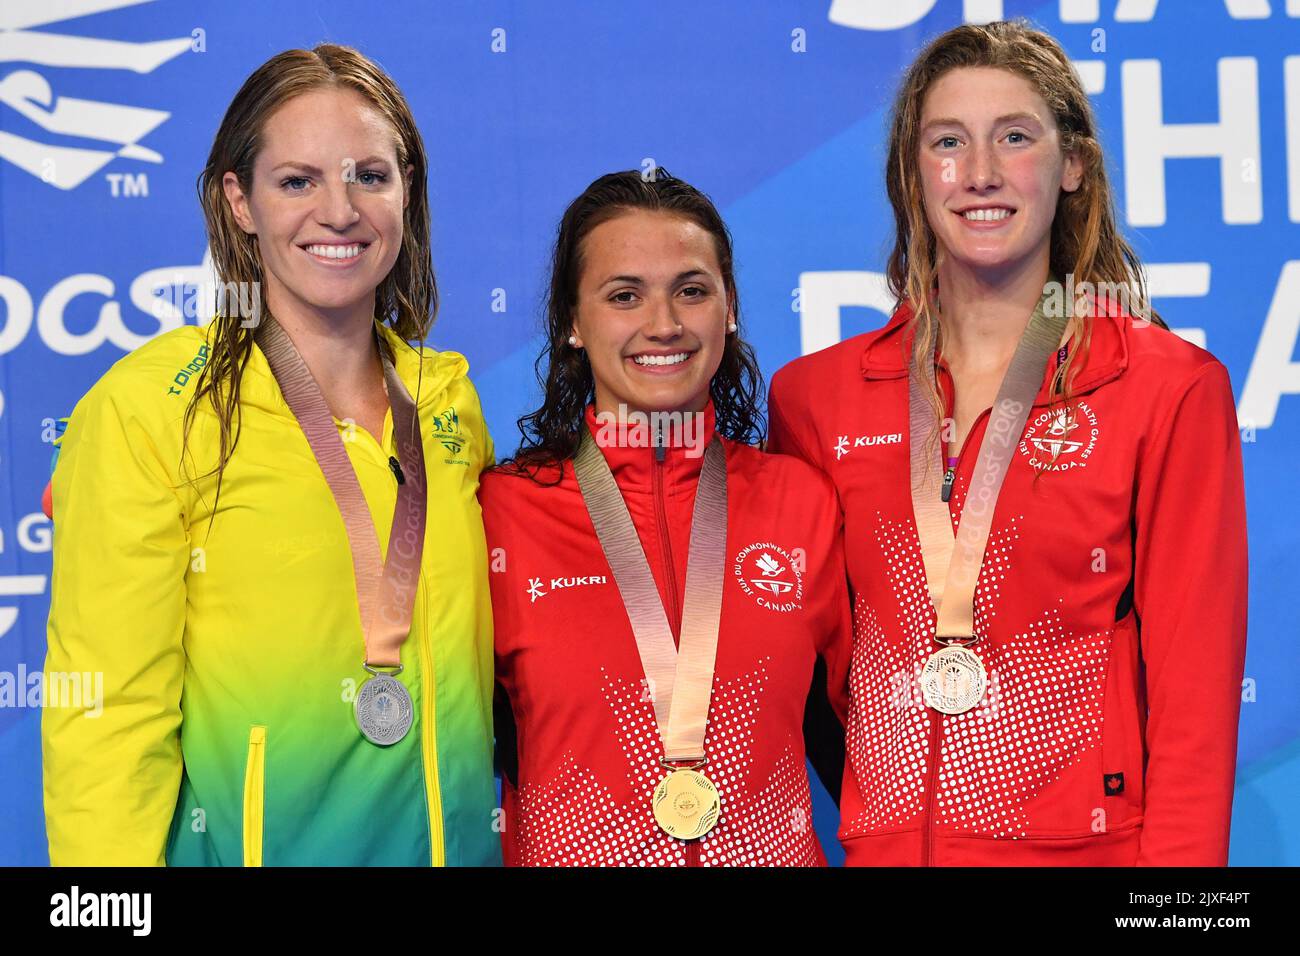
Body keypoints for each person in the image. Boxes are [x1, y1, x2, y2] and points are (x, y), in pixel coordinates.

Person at [768, 20, 1247, 866]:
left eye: (1015, 138)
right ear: (913, 178)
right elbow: (814, 673)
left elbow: (1195, 700)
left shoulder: (1167, 389)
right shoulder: (816, 399)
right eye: (947, 142)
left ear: (1073, 167)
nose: (980, 174)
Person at [42, 44, 500, 866]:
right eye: (298, 181)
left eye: (370, 175)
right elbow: (106, 715)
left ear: (408, 194)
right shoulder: (151, 408)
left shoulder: (446, 401)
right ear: (239, 201)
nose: (340, 210)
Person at [482, 169, 851, 866]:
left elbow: (866, 743)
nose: (664, 324)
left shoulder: (803, 501)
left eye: (691, 290)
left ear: (730, 308)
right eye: (625, 296)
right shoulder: (502, 512)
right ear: (571, 322)